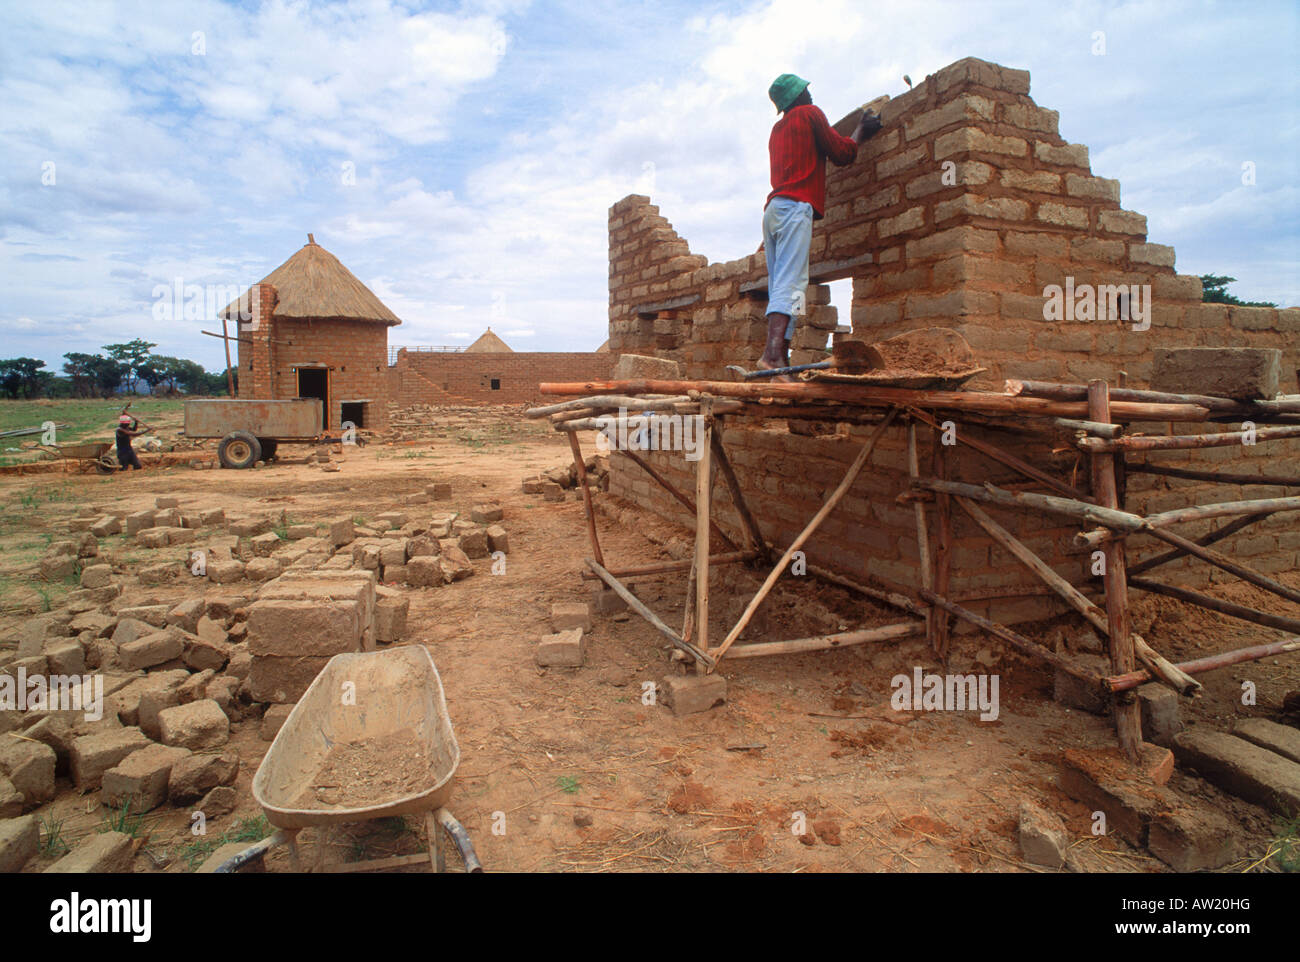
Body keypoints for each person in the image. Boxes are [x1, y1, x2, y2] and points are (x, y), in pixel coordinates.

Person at [760, 73, 882, 378]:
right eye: (805, 91)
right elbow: (841, 153)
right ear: (796, 98)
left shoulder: (777, 130)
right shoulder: (810, 114)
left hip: (773, 211)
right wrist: (860, 131)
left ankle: (781, 363)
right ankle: (773, 356)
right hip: (794, 208)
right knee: (791, 285)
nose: (810, 96)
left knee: (786, 285)